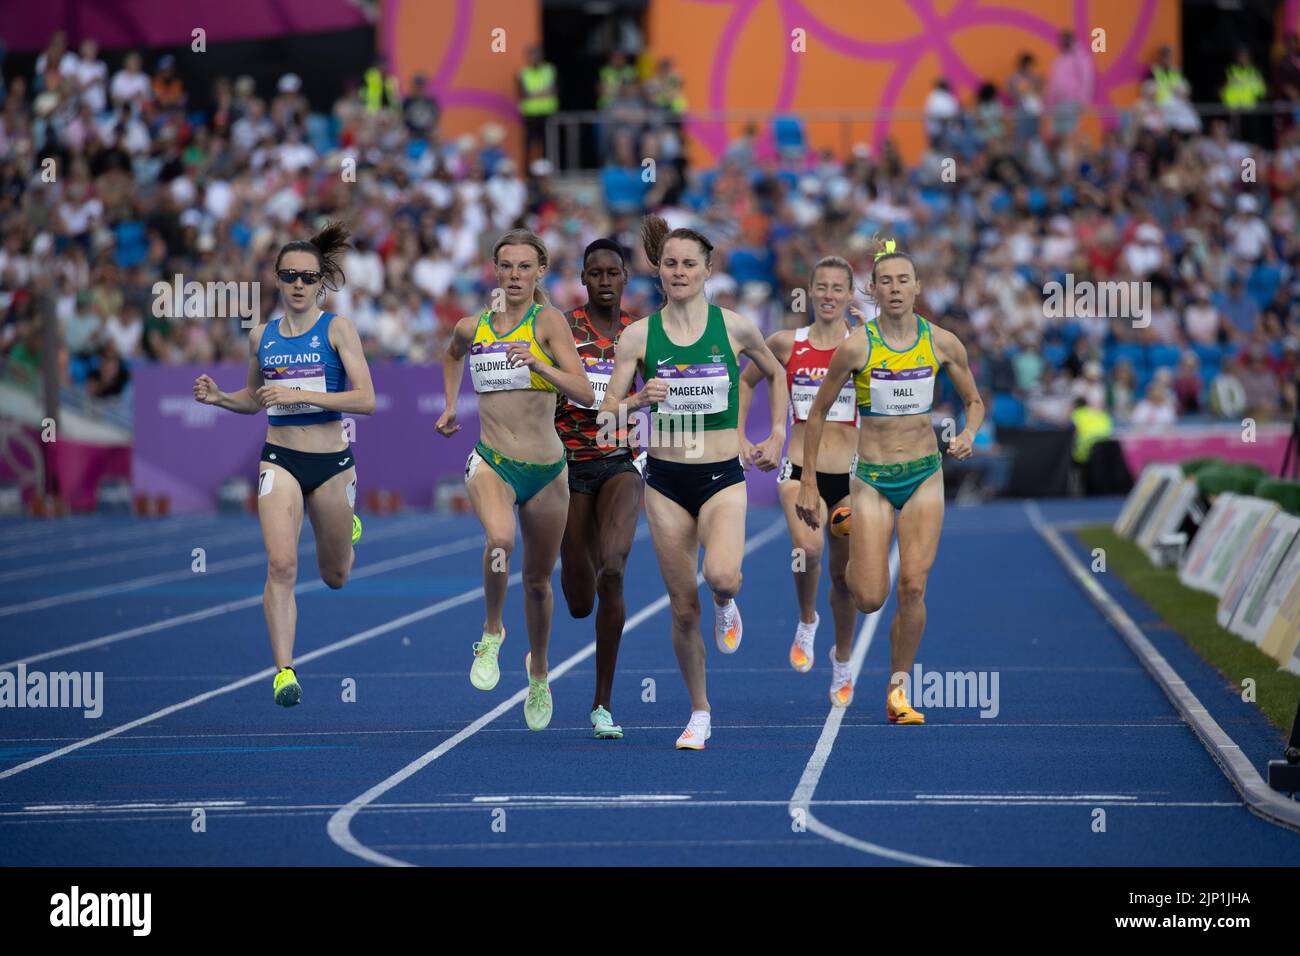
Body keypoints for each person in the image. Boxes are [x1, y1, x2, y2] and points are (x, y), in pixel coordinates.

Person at [598, 215, 788, 749]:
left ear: (708, 270)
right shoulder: (638, 336)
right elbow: (606, 417)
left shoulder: (734, 327)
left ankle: (728, 603)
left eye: (689, 264)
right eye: (670, 264)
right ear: (658, 272)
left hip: (723, 475)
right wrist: (637, 400)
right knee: (683, 608)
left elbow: (776, 374)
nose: (679, 272)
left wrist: (776, 436)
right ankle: (699, 711)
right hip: (663, 480)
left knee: (722, 577)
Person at [796, 238, 983, 724]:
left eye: (904, 280)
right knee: (870, 596)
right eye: (886, 281)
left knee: (914, 589)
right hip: (872, 480)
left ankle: (899, 690)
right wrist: (810, 482)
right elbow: (816, 413)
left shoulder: (942, 342)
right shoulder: (857, 346)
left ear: (918, 287)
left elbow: (975, 401)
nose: (895, 288)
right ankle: (850, 527)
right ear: (873, 290)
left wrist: (968, 433)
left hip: (924, 474)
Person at [192, 222, 375, 706]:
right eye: (290, 275)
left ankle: (348, 524)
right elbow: (256, 399)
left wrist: (299, 392)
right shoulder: (261, 337)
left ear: (321, 283)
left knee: (336, 577)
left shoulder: (337, 328)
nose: (298, 284)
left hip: (333, 463)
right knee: (281, 563)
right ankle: (284, 671)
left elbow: (367, 400)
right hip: (280, 460)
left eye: (308, 277)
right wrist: (219, 399)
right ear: (276, 279)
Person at [436, 229, 594, 731]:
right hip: (492, 460)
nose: (515, 275)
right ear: (494, 269)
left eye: (525, 267)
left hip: (548, 469)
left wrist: (540, 364)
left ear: (540, 271)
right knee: (500, 539)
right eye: (506, 266)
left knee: (539, 583)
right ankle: (491, 633)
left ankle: (540, 672)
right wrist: (448, 404)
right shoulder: (473, 325)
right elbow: (452, 353)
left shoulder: (547, 322)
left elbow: (586, 392)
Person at [737, 257, 860, 705]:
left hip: (851, 477)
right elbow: (747, 380)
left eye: (837, 288)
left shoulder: (864, 345)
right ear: (810, 291)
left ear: (849, 294)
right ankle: (807, 620)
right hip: (796, 472)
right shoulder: (787, 344)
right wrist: (746, 434)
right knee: (807, 550)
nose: (828, 295)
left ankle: (842, 660)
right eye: (821, 287)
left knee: (845, 578)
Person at [554, 239, 643, 739]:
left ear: (626, 277)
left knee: (614, 568)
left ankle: (602, 703)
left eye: (613, 272)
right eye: (595, 273)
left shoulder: (641, 332)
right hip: (568, 464)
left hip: (620, 462)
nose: (605, 281)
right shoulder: (565, 329)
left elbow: (663, 392)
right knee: (580, 600)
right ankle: (569, 566)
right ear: (583, 279)